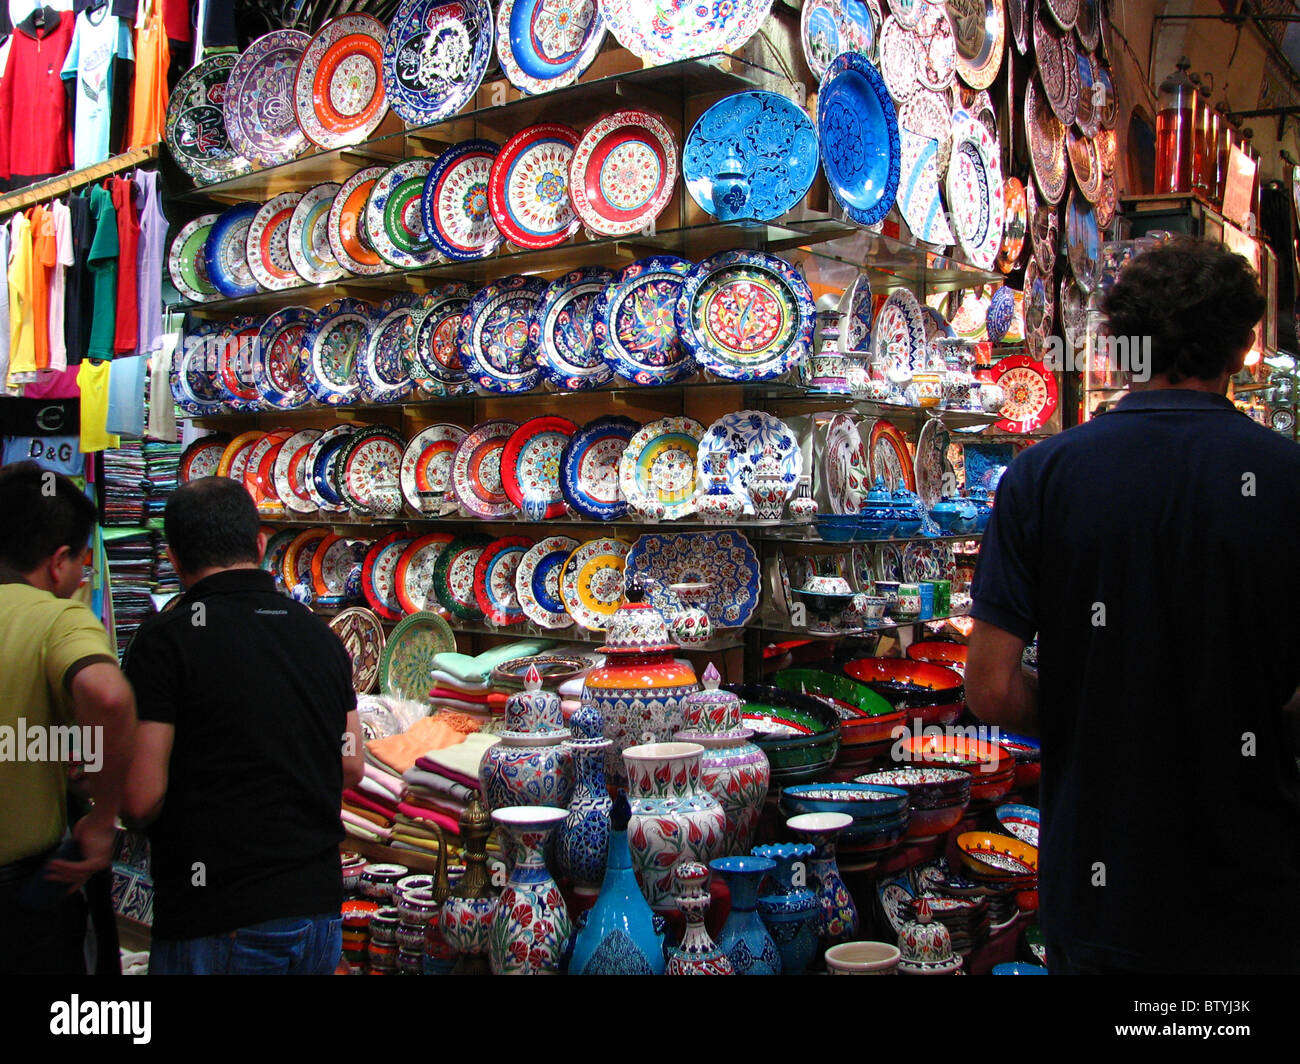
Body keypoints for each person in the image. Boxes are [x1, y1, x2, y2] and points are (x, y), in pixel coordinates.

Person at [966, 237, 1300, 974]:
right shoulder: (1285, 478)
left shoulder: (1042, 477)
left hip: (1101, 872)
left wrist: (1092, 709)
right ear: (1244, 348)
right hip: (1256, 877)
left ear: (1119, 345)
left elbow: (989, 687)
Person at [122, 476, 364, 975]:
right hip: (317, 911)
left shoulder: (165, 641)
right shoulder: (319, 636)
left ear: (173, 558)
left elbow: (141, 797)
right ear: (260, 544)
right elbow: (351, 764)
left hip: (220, 915)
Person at [0, 460, 136, 975]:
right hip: (24, 897)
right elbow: (108, 697)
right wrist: (103, 820)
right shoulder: (55, 617)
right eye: (82, 560)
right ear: (58, 562)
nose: (84, 575)